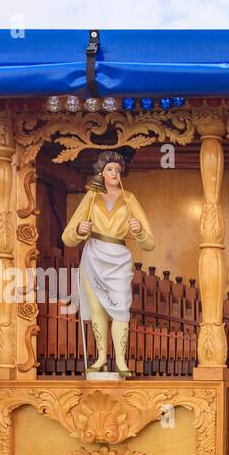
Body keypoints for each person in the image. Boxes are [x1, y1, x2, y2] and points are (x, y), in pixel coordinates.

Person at [61, 150, 155, 377]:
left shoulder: (129, 198)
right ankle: (102, 357)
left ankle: (121, 360)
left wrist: (139, 231)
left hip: (119, 256)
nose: (115, 173)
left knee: (121, 307)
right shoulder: (91, 196)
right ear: (101, 172)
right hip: (93, 255)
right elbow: (67, 237)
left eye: (118, 169)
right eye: (110, 169)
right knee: (97, 308)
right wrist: (79, 230)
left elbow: (149, 243)